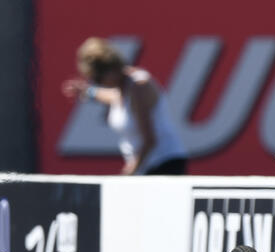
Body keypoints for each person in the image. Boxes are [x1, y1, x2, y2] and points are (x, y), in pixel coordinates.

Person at [61, 37, 188, 175]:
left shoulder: (139, 86)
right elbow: (113, 96)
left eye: (98, 79)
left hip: (164, 165)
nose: (98, 83)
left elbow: (150, 140)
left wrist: (130, 172)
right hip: (147, 166)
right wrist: (89, 91)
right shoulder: (121, 89)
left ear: (111, 70)